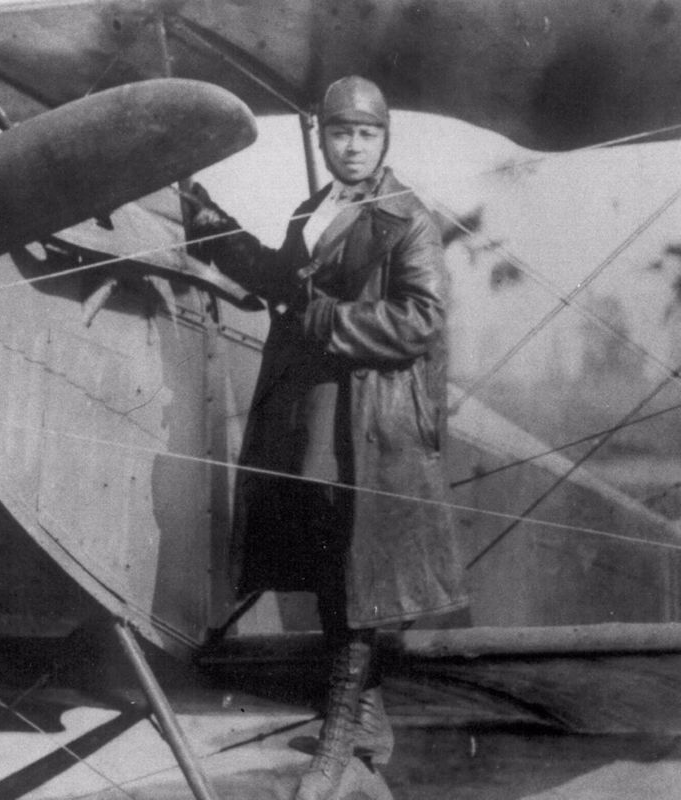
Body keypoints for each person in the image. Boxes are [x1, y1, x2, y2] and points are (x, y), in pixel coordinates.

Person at [187, 75, 467, 800]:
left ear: (384, 140)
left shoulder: (407, 220)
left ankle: (338, 742)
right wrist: (210, 225)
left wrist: (332, 324)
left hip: (366, 420)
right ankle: (368, 725)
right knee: (326, 563)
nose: (351, 145)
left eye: (365, 133)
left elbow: (422, 321)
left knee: (355, 579)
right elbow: (283, 280)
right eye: (339, 132)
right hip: (312, 413)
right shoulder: (316, 209)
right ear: (322, 137)